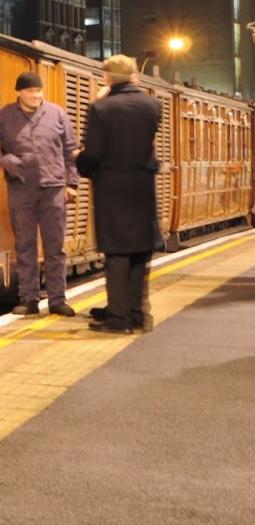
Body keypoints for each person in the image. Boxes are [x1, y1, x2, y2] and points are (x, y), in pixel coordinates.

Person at [0, 70, 79, 316]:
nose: (36, 95)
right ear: (19, 92)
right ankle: (29, 299)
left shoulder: (57, 114)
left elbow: (71, 150)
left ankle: (57, 300)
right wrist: (1, 160)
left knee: (55, 247)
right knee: (25, 246)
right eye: (31, 91)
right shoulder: (5, 116)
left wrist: (72, 183)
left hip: (53, 188)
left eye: (38, 91)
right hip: (21, 188)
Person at [76, 54, 163, 334]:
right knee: (140, 253)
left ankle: (118, 318)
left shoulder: (102, 108)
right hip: (142, 188)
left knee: (116, 255)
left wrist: (80, 161)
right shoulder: (153, 105)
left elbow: (94, 154)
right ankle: (138, 314)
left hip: (112, 189)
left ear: (107, 77)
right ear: (134, 76)